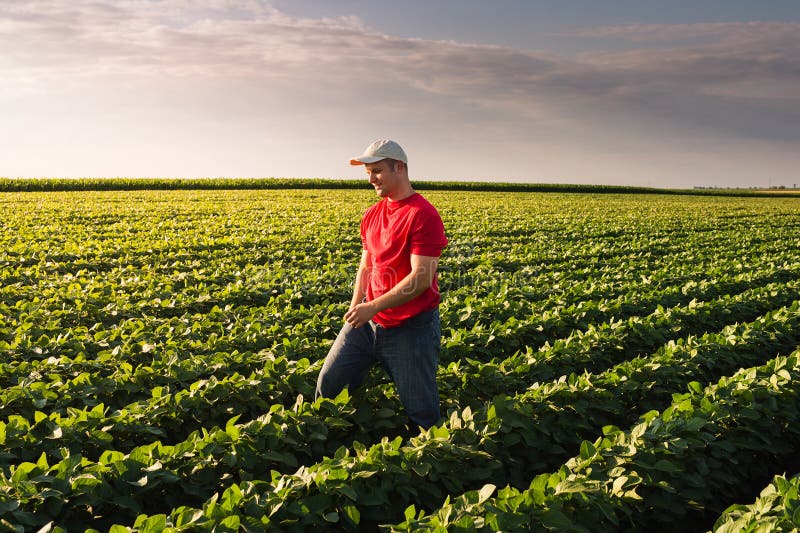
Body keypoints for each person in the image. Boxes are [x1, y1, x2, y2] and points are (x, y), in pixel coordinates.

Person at [315, 139, 448, 432]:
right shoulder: (373, 214)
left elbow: (420, 278)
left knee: (421, 414)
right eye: (368, 172)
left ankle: (428, 465)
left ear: (399, 167)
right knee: (329, 386)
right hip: (367, 323)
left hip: (411, 329)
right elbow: (367, 266)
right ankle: (333, 446)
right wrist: (355, 311)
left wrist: (371, 306)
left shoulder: (422, 214)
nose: (371, 178)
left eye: (377, 171)